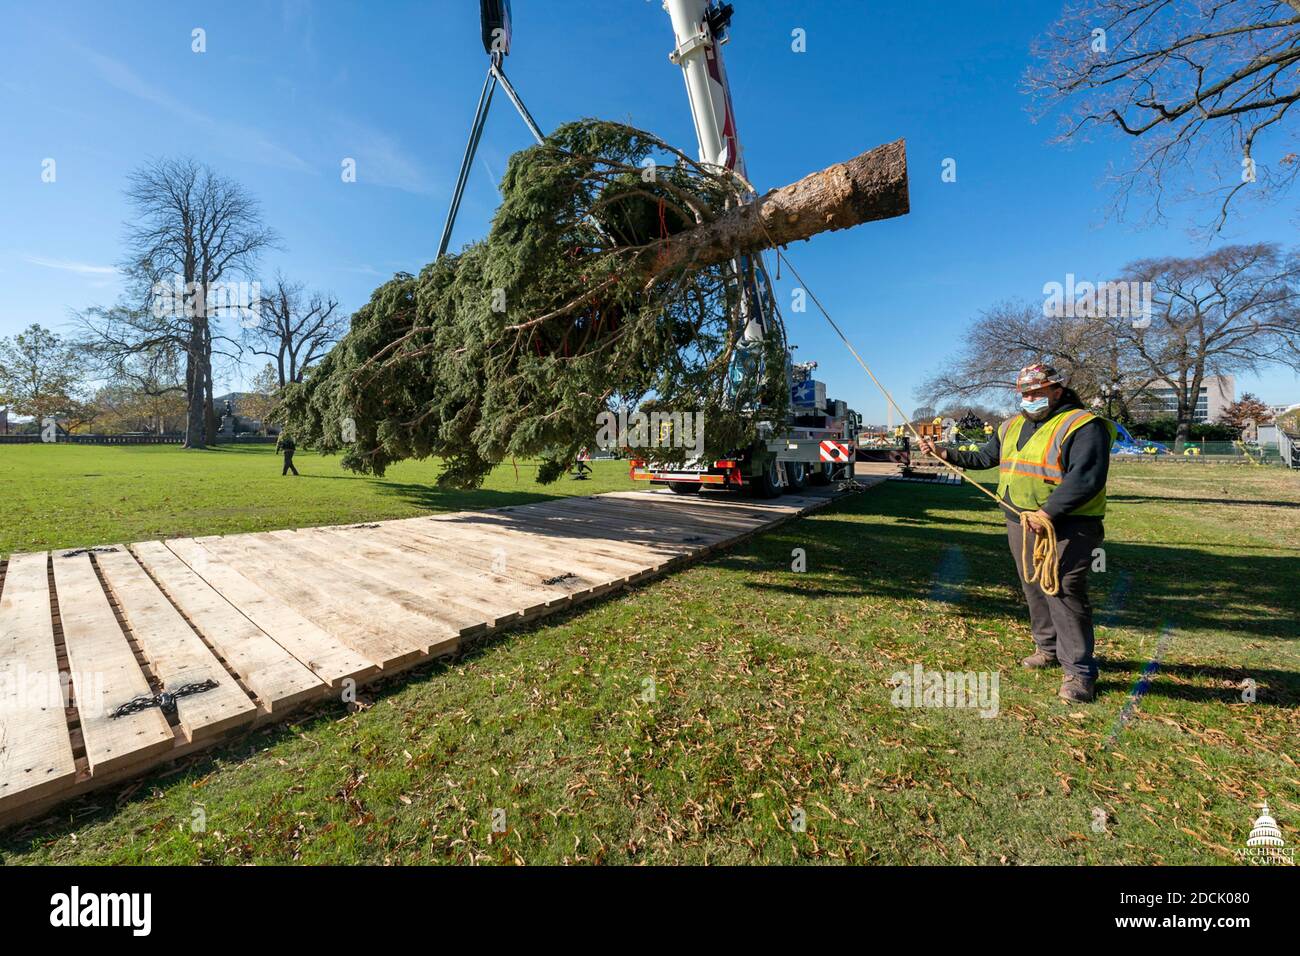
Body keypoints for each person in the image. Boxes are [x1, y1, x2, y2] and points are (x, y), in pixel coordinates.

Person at [918, 363, 1117, 703]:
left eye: (1037, 393)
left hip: (1068, 525)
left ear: (1057, 390)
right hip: (1019, 520)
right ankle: (1047, 648)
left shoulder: (1083, 425)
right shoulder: (1010, 426)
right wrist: (944, 452)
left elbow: (1085, 478)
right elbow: (985, 458)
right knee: (1033, 583)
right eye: (1024, 393)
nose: (1029, 399)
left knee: (1062, 589)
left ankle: (1080, 673)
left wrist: (1047, 513)